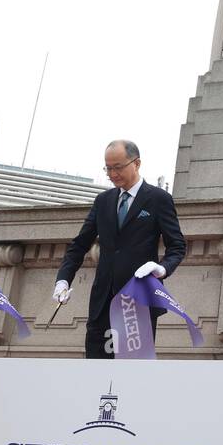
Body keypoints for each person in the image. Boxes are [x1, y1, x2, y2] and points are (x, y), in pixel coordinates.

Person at [53, 139, 186, 358]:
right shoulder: (103, 201)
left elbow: (177, 246)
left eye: (118, 167)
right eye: (108, 168)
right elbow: (79, 245)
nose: (113, 174)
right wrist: (62, 280)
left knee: (131, 378)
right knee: (96, 371)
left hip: (138, 301)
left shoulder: (159, 199)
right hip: (102, 303)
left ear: (137, 163)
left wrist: (162, 269)